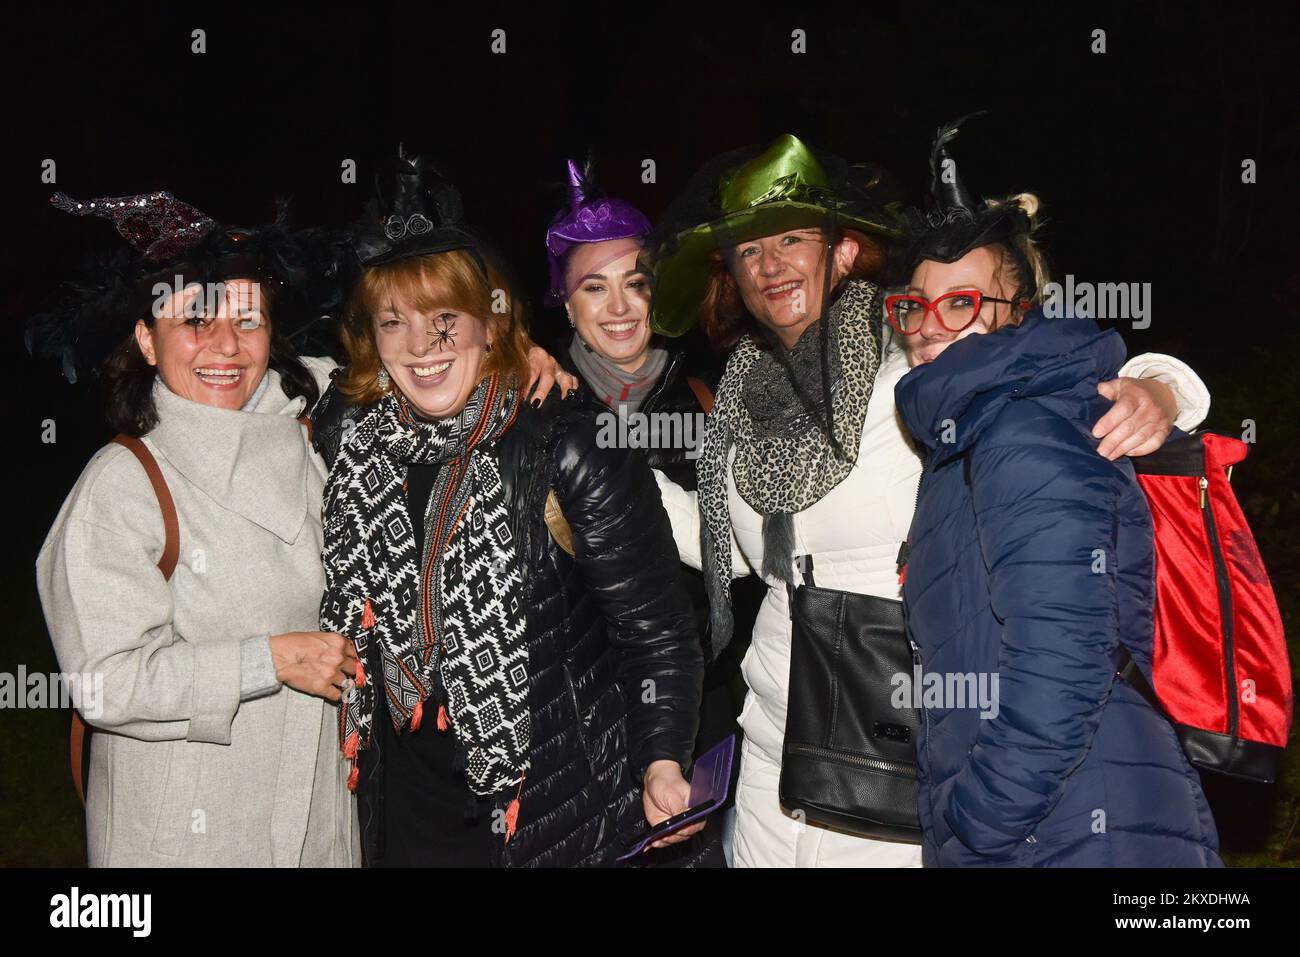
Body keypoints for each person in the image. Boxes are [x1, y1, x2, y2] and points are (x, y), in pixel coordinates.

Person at [641, 132, 1212, 867]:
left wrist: (1162, 385)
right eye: (750, 251)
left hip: (897, 748)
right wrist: (603, 469)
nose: (770, 264)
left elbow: (1044, 370)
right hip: (772, 748)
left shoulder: (913, 353)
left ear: (842, 252)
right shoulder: (743, 401)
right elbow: (733, 554)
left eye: (791, 239)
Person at [312, 150, 704, 867]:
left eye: (446, 319)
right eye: (395, 322)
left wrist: (662, 759)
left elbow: (656, 629)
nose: (423, 348)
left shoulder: (567, 442)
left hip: (547, 811)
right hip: (401, 814)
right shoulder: (353, 439)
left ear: (491, 325)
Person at [890, 120, 1221, 866]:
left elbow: (1063, 661)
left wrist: (974, 821)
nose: (928, 326)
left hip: (1075, 820)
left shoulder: (1020, 428)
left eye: (961, 302)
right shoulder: (968, 433)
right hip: (1061, 814)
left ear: (1019, 314)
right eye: (915, 304)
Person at [32, 189, 360, 866]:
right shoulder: (123, 485)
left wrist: (520, 359)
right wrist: (265, 660)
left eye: (248, 319)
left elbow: (426, 369)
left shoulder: (317, 427)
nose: (226, 345)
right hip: (187, 836)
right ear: (148, 341)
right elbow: (106, 683)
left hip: (319, 824)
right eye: (195, 320)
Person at [544, 158, 745, 865]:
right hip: (580, 721)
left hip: (706, 707)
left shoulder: (711, 398)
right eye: (593, 288)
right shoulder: (541, 412)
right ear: (566, 305)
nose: (620, 306)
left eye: (636, 283)